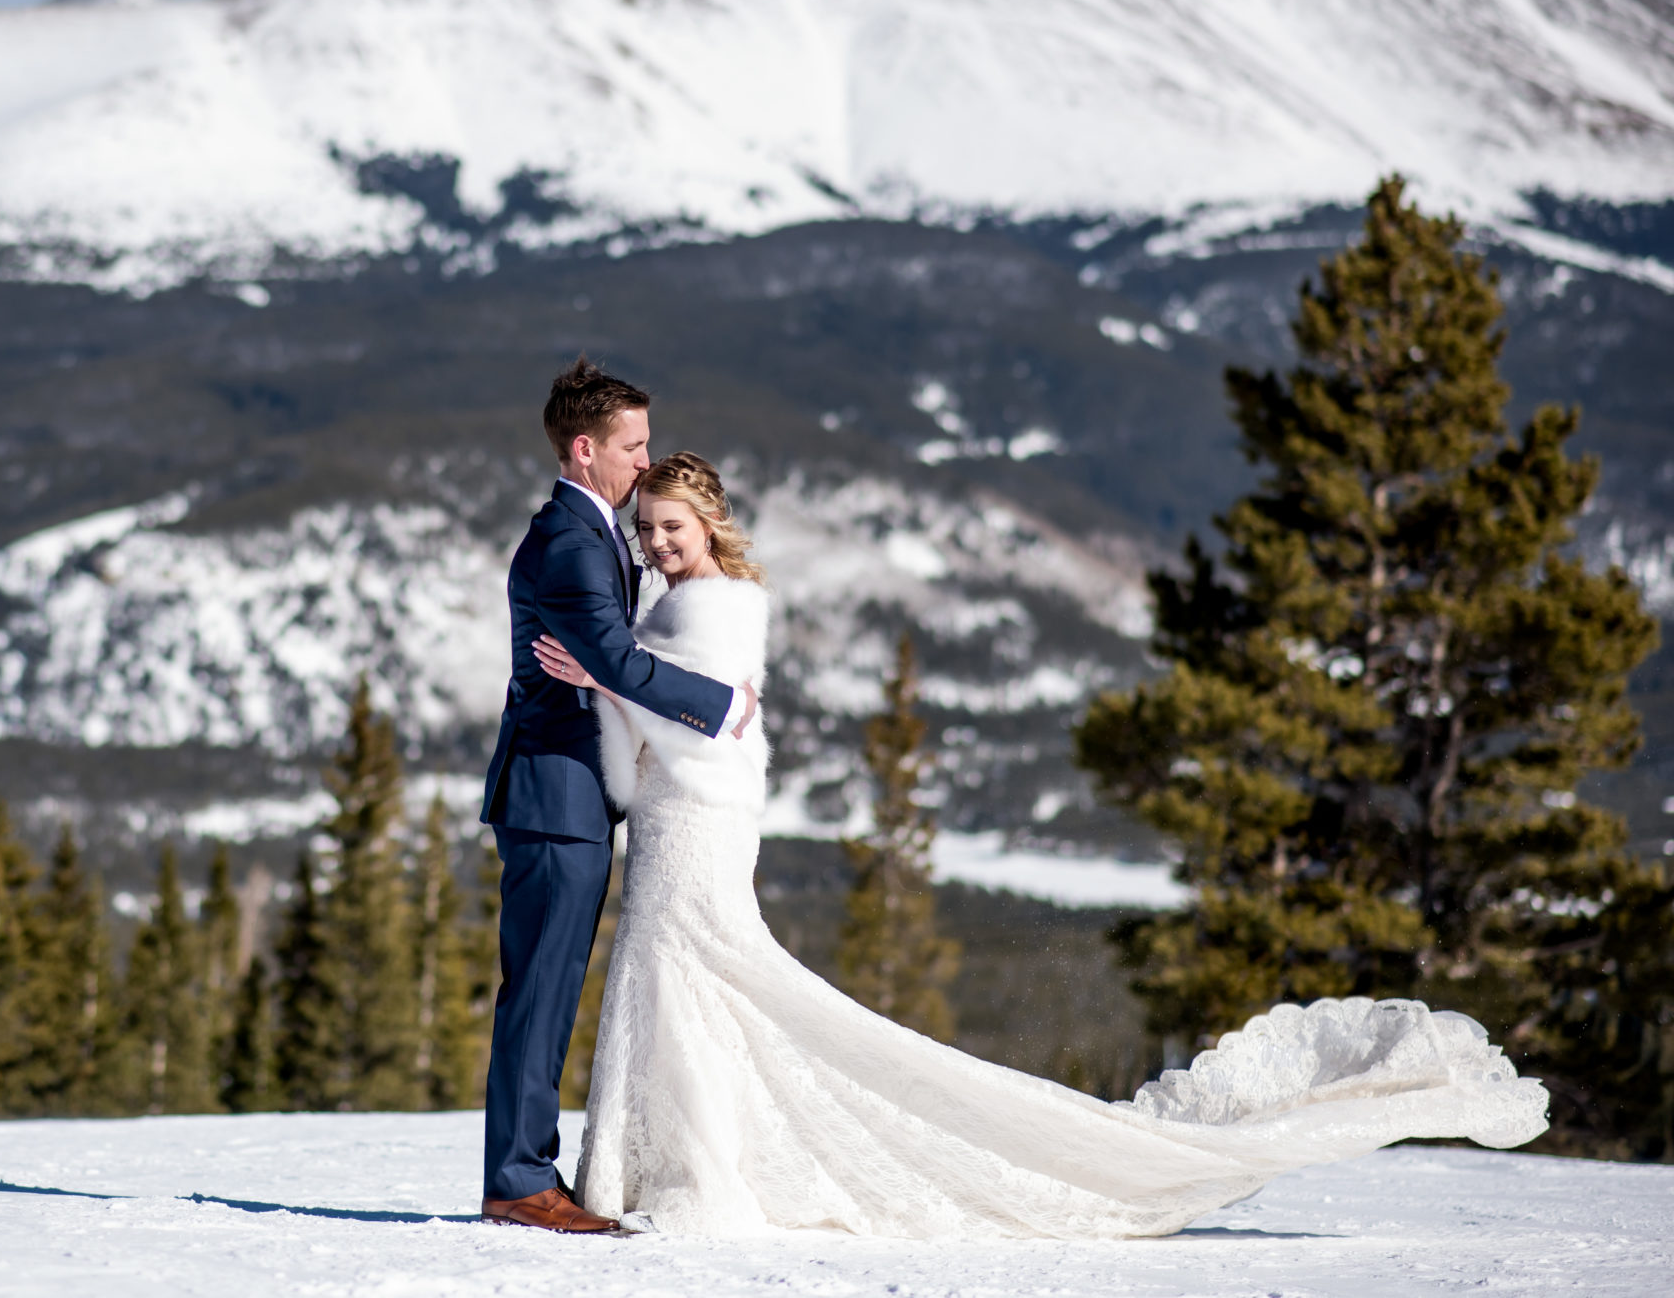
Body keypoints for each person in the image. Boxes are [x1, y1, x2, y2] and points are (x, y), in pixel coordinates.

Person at [536, 450, 1550, 1239]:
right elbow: (655, 738)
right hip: (671, 823)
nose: (657, 540)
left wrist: (601, 683)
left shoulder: (716, 606)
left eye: (671, 524)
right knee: (677, 987)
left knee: (700, 981)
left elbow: (699, 725)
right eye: (646, 527)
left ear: (707, 523)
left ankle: (694, 1173)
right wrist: (612, 694)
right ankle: (672, 1162)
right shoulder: (670, 608)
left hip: (698, 823)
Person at [478, 359, 756, 1233]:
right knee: (541, 989)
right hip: (553, 797)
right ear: (587, 446)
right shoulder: (568, 541)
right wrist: (722, 706)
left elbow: (607, 662)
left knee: (550, 984)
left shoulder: (591, 532)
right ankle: (521, 1181)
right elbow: (614, 657)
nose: (644, 461)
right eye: (632, 445)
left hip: (571, 795)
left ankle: (528, 1173)